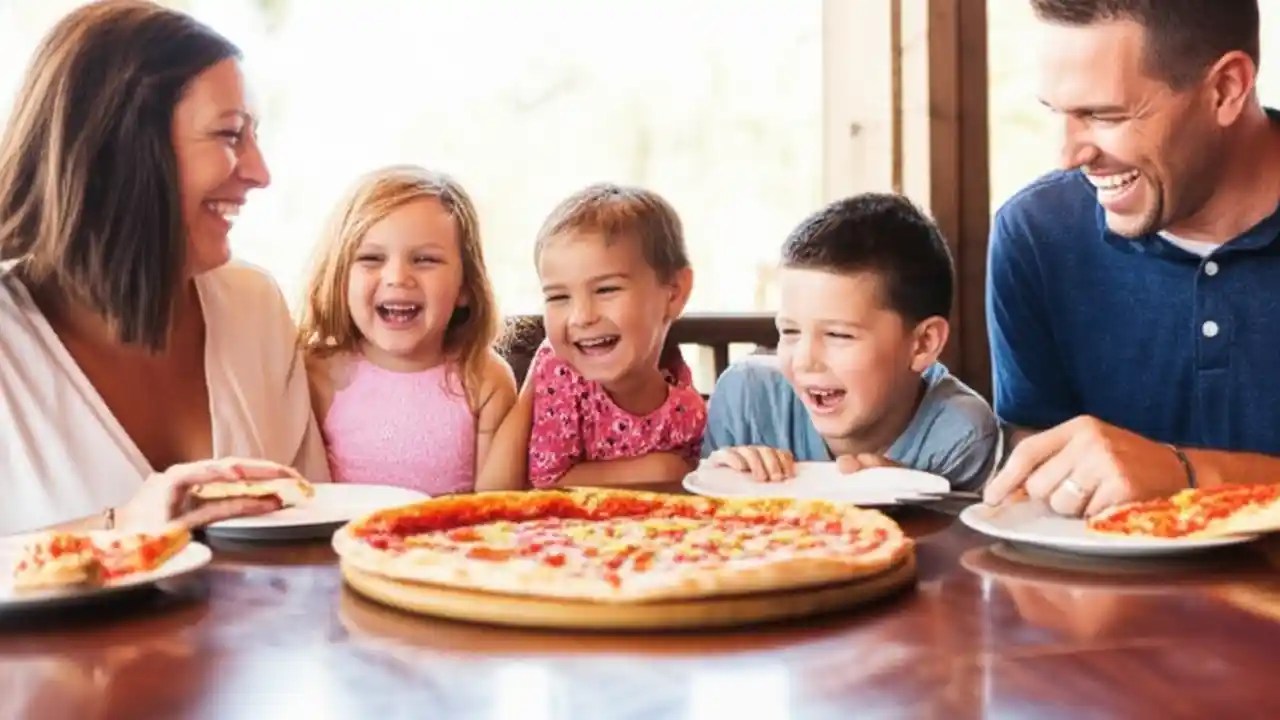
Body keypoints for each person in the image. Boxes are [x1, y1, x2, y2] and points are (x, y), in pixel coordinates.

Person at [0, 0, 325, 535]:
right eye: (229, 134)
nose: (260, 172)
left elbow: (316, 526)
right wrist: (121, 528)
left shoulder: (254, 306)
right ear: (122, 149)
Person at [983, 0, 1280, 517]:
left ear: (1227, 88)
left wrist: (1184, 475)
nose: (1068, 154)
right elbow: (1040, 495)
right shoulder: (1034, 236)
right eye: (1058, 112)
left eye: (1104, 115)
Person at [701, 193, 999, 490]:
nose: (805, 359)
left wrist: (909, 503)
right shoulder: (746, 401)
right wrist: (719, 480)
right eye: (790, 332)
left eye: (838, 335)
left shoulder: (959, 434)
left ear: (923, 343)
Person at [299, 165, 517, 494]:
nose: (398, 277)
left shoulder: (484, 378)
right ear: (340, 278)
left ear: (465, 286)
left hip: (451, 543)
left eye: (425, 259)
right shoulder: (317, 372)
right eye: (371, 258)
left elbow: (494, 504)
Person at [492, 183, 707, 489]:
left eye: (606, 290)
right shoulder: (562, 377)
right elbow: (548, 482)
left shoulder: (688, 411)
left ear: (674, 293)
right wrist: (660, 468)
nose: (581, 316)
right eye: (558, 297)